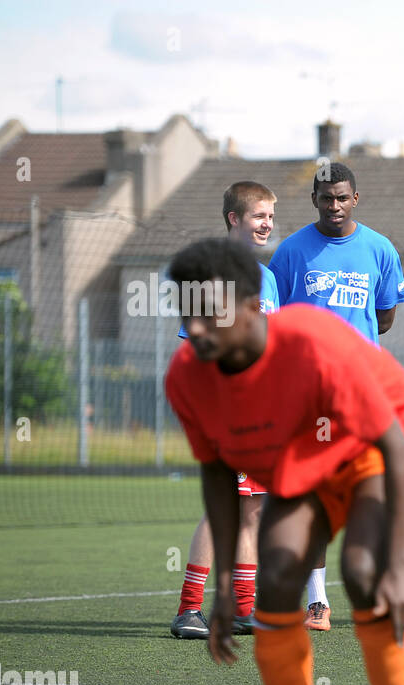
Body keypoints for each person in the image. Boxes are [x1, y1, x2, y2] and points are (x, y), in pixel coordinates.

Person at [165, 237, 404, 685]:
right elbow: (216, 471)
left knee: (363, 570)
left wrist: (396, 563)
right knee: (279, 576)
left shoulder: (310, 342)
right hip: (307, 451)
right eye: (186, 312)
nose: (198, 328)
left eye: (209, 311)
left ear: (250, 304)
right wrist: (219, 591)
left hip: (389, 434)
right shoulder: (189, 374)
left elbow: (386, 441)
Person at [268, 162, 404, 633]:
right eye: (326, 198)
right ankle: (317, 603)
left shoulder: (380, 249)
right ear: (315, 201)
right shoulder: (290, 252)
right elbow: (275, 321)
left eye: (343, 197)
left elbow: (384, 317)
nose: (335, 206)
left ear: (356, 199)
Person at [170, 181, 281, 639]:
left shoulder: (267, 278)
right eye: (259, 215)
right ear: (234, 219)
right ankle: (189, 611)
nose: (268, 223)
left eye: (271, 216)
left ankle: (242, 609)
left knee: (253, 509)